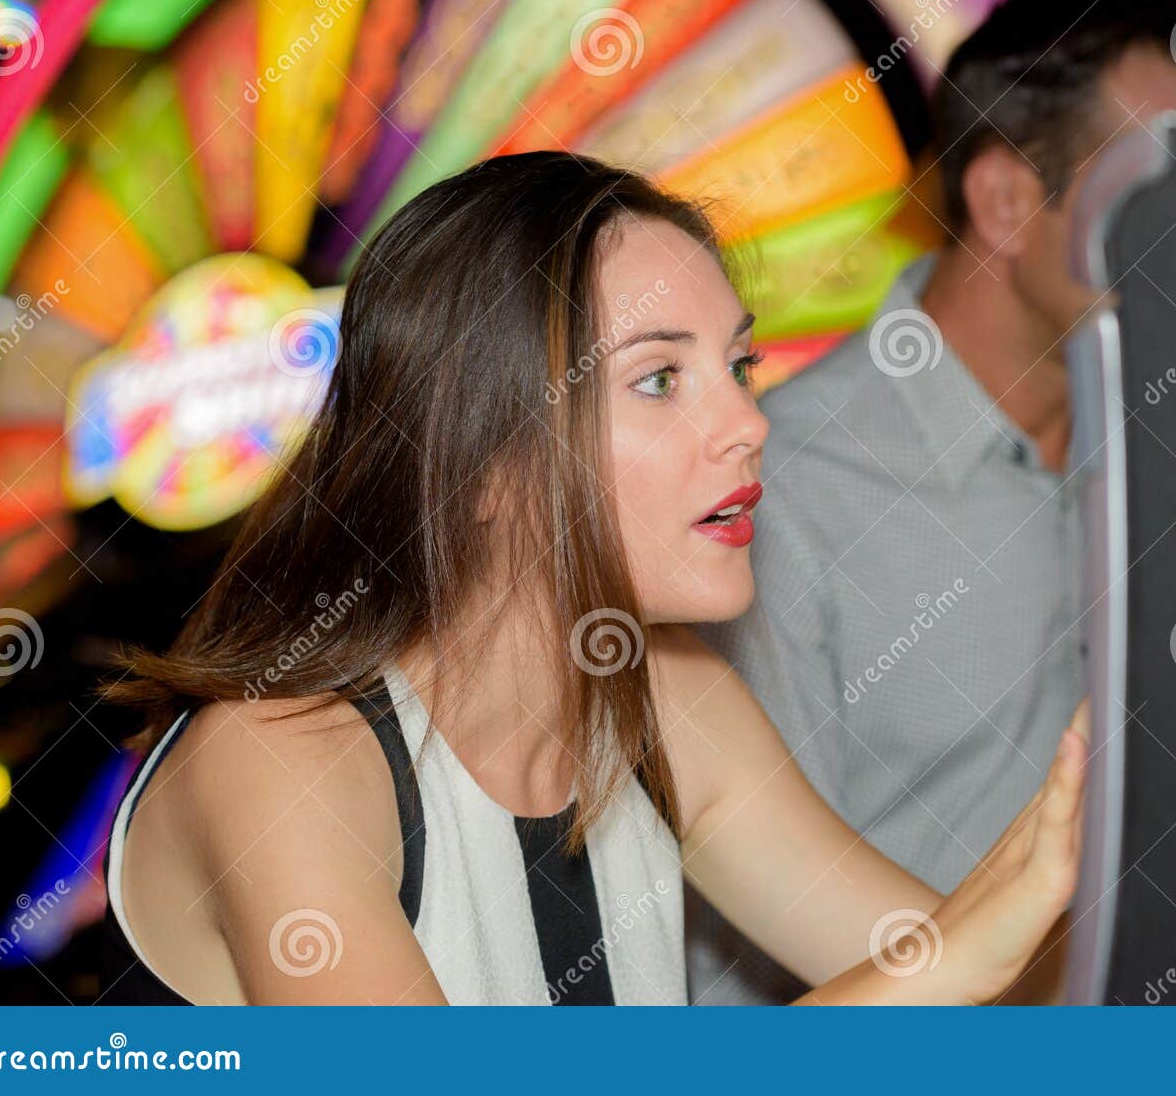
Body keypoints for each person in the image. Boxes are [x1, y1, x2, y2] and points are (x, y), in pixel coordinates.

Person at [95, 151, 1087, 1005]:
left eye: (738, 369)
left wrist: (1066, 862)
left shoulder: (668, 694)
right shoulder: (280, 759)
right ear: (478, 461)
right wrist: (966, 950)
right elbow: (943, 972)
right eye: (660, 380)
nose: (750, 425)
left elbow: (966, 987)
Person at [687, 0, 1176, 1004]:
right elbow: (741, 963)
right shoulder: (782, 491)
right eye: (1164, 187)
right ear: (1003, 200)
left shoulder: (1170, 444)